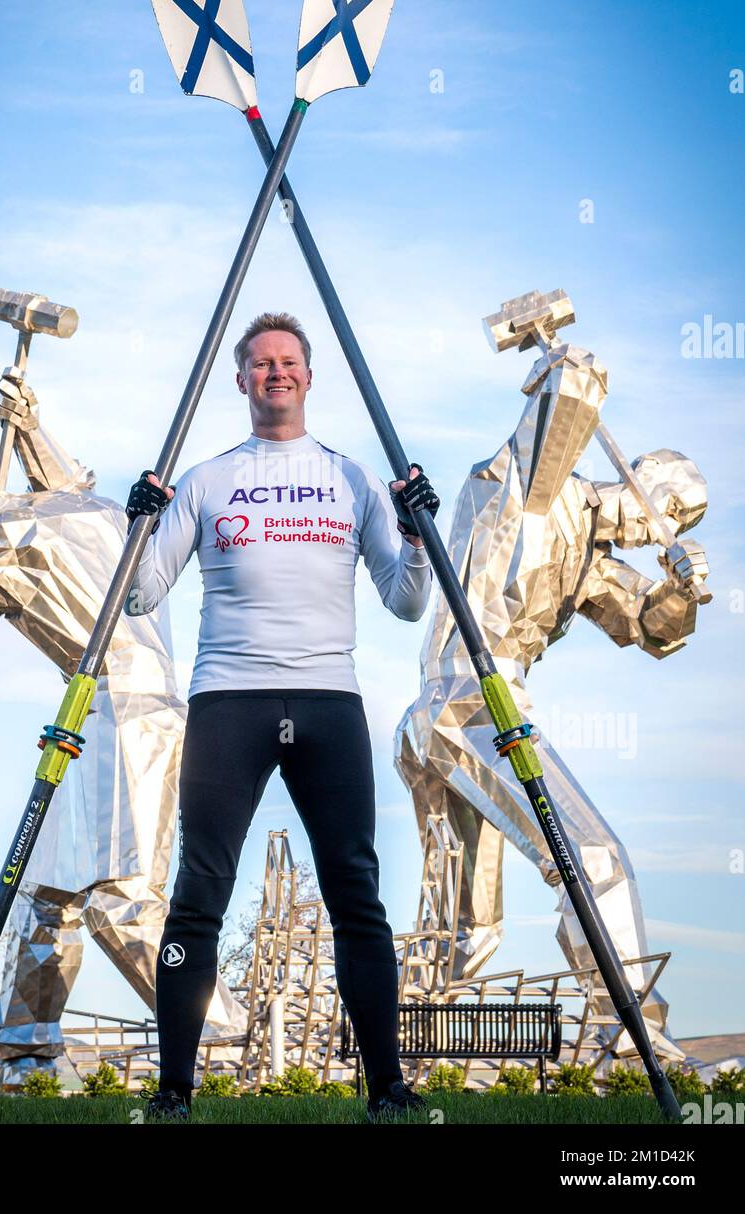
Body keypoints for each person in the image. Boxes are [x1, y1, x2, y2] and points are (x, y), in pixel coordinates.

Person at [125, 310, 440, 1122]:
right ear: (240, 381)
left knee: (354, 893)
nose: (275, 373)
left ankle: (386, 1089)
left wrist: (413, 534)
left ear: (308, 374)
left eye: (287, 361)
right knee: (199, 893)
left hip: (329, 700)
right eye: (260, 363)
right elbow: (138, 594)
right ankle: (173, 1092)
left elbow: (406, 604)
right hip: (228, 699)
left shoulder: (352, 478)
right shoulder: (205, 479)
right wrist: (140, 523)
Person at [0, 370, 246, 1093]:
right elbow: (64, 474)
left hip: (122, 708)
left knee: (120, 898)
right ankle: (23, 1058)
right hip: (106, 713)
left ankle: (225, 1044)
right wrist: (29, 424)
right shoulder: (79, 504)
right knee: (44, 895)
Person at [395, 334, 709, 1064]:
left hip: (445, 721)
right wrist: (571, 362)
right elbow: (559, 413)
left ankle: (429, 1065)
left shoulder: (592, 560)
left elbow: (648, 629)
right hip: (470, 699)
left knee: (466, 925)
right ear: (634, 479)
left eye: (679, 523)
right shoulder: (536, 489)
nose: (658, 528)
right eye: (665, 509)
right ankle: (626, 1038)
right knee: (592, 857)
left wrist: (682, 593)